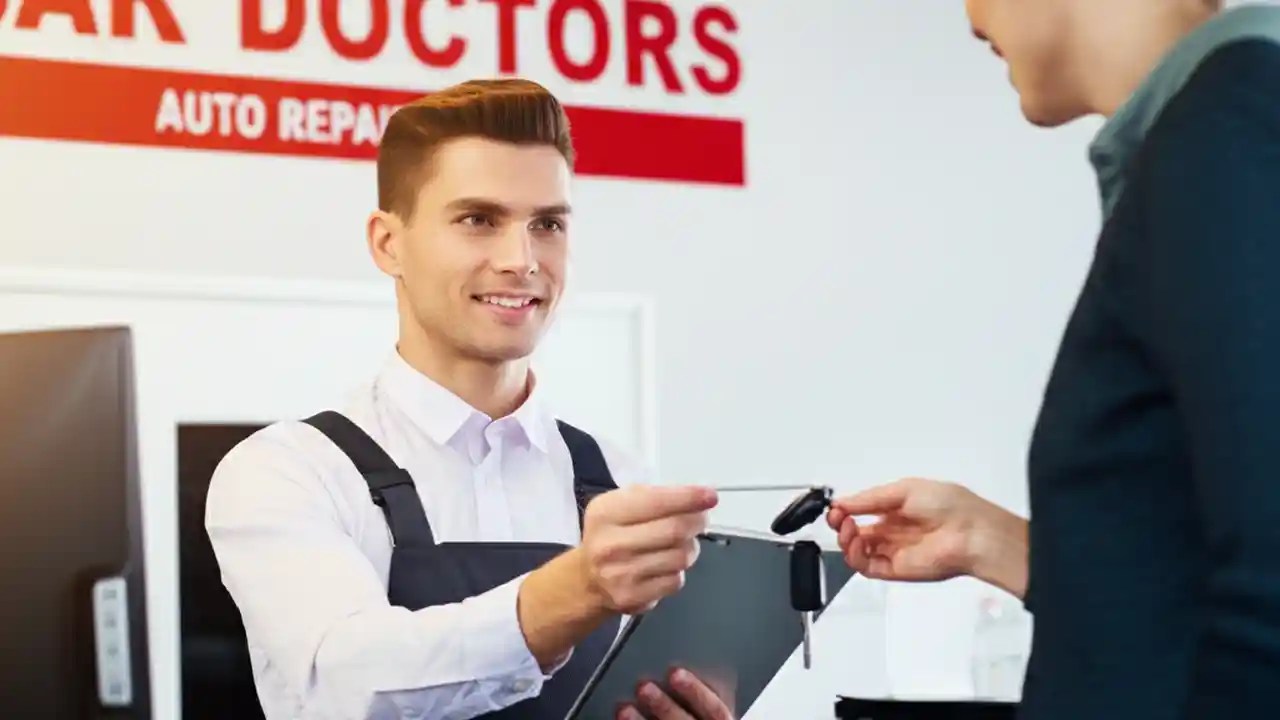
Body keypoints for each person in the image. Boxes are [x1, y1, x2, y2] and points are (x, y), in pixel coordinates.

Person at [205, 79, 731, 720]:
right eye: (478, 220)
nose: (522, 260)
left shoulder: (622, 478)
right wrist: (574, 589)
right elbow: (346, 687)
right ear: (387, 243)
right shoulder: (289, 471)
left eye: (547, 224)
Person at [827, 1, 1280, 718]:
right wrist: (995, 540)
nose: (971, 19)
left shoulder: (1228, 132)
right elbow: (1186, 582)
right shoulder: (1212, 134)